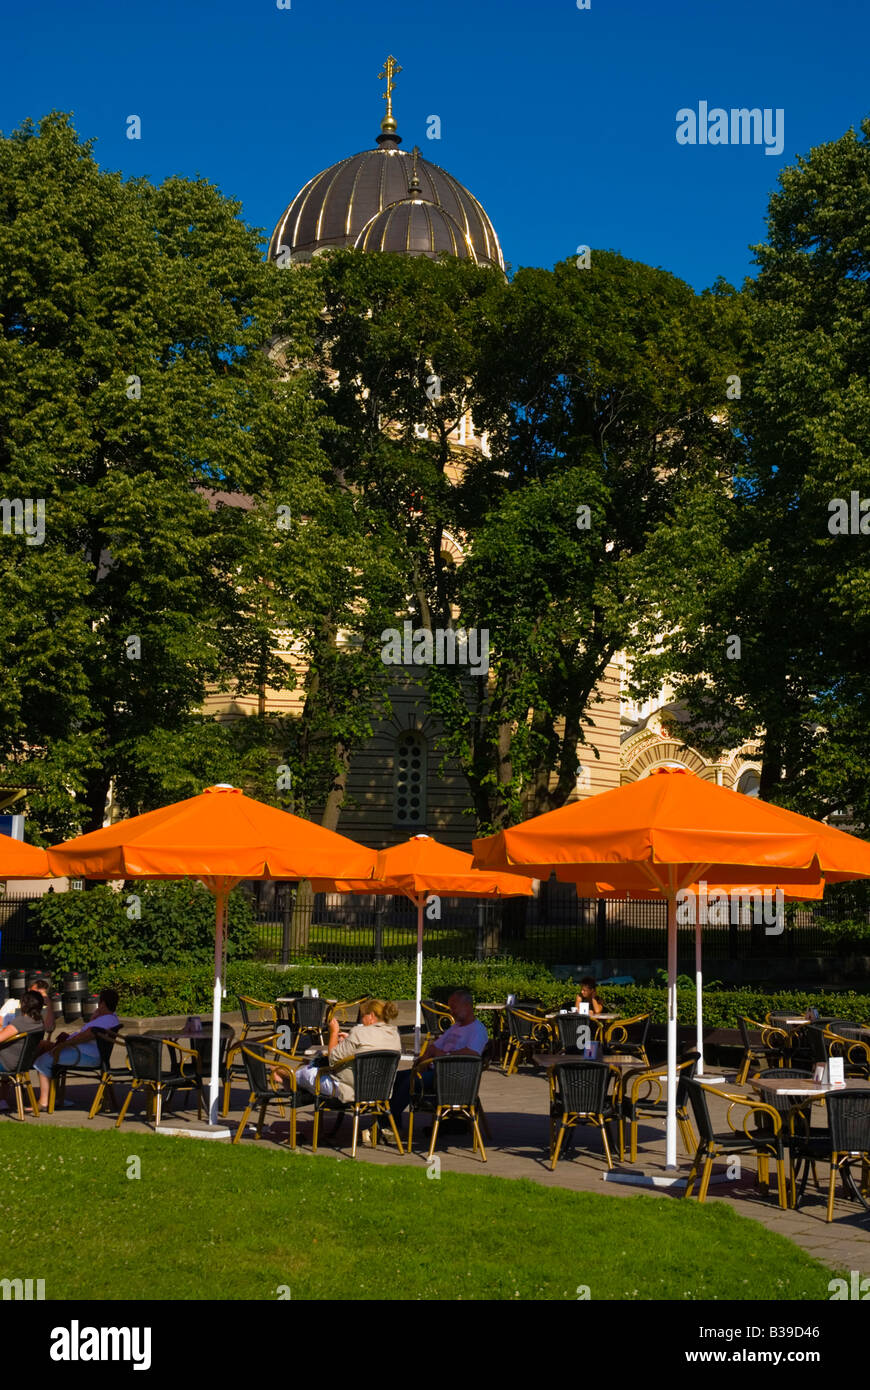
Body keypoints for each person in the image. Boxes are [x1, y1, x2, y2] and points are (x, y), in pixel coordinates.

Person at [390, 988, 488, 1126]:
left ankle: (388, 1123)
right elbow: (434, 1047)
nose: (451, 1011)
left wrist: (443, 1055)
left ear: (467, 1005)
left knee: (411, 1082)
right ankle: (392, 1121)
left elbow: (472, 1054)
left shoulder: (477, 1030)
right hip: (437, 1069)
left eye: (454, 1007)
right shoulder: (456, 1027)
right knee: (396, 1078)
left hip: (454, 1076)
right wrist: (423, 1060)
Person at [292, 998, 401, 1104]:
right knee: (310, 1076)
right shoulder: (394, 1034)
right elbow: (373, 1045)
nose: (362, 1021)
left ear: (371, 1016)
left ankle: (286, 1078)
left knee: (304, 1074)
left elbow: (332, 1059)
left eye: (363, 1016)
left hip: (353, 1090)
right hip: (381, 1091)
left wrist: (334, 1032)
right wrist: (349, 1039)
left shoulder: (359, 1032)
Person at [33, 988, 120, 1111]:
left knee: (42, 1061)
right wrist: (94, 1017)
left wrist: (63, 1045)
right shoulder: (110, 1018)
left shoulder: (105, 1020)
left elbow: (87, 1035)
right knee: (43, 1045)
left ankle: (43, 1101)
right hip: (86, 1052)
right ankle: (54, 1096)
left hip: (85, 1055)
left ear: (102, 1003)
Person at [0, 990, 45, 1110]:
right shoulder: (39, 1023)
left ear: (24, 1004)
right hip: (22, 1063)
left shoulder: (21, 1021)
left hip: (8, 1063)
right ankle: (2, 1100)